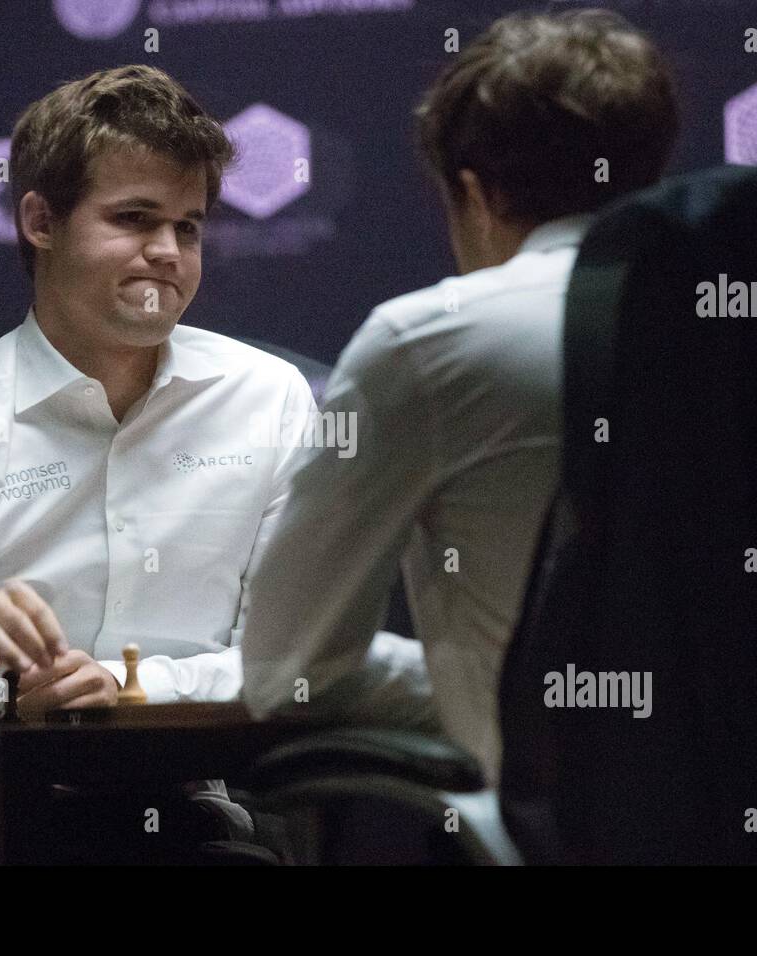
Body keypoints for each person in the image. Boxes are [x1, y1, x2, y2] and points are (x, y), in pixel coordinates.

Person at [241, 9, 681, 783]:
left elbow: (287, 670)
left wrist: (475, 676)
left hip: (560, 822)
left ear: (474, 194)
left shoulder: (426, 343)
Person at [0, 65, 317, 731]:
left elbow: (293, 662)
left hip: (214, 785)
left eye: (188, 228)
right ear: (41, 221)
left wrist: (121, 688)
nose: (168, 252)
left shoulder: (269, 399)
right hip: (4, 787)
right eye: (134, 219)